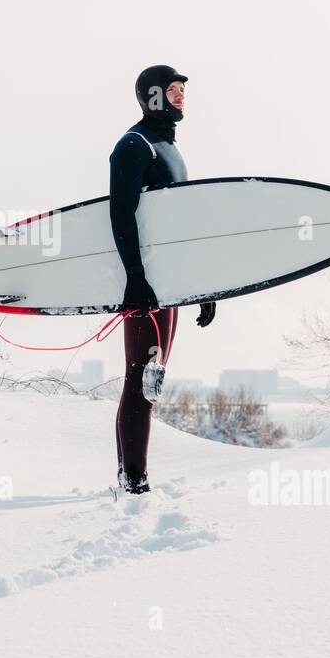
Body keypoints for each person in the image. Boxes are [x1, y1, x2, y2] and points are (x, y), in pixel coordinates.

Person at [108, 64, 215, 494]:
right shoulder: (135, 145)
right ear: (153, 95)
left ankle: (132, 475)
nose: (181, 96)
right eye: (173, 90)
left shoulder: (168, 148)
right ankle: (133, 481)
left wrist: (202, 286)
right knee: (141, 377)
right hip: (143, 287)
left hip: (166, 288)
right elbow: (121, 214)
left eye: (182, 90)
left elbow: (176, 229)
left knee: (152, 379)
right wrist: (135, 278)